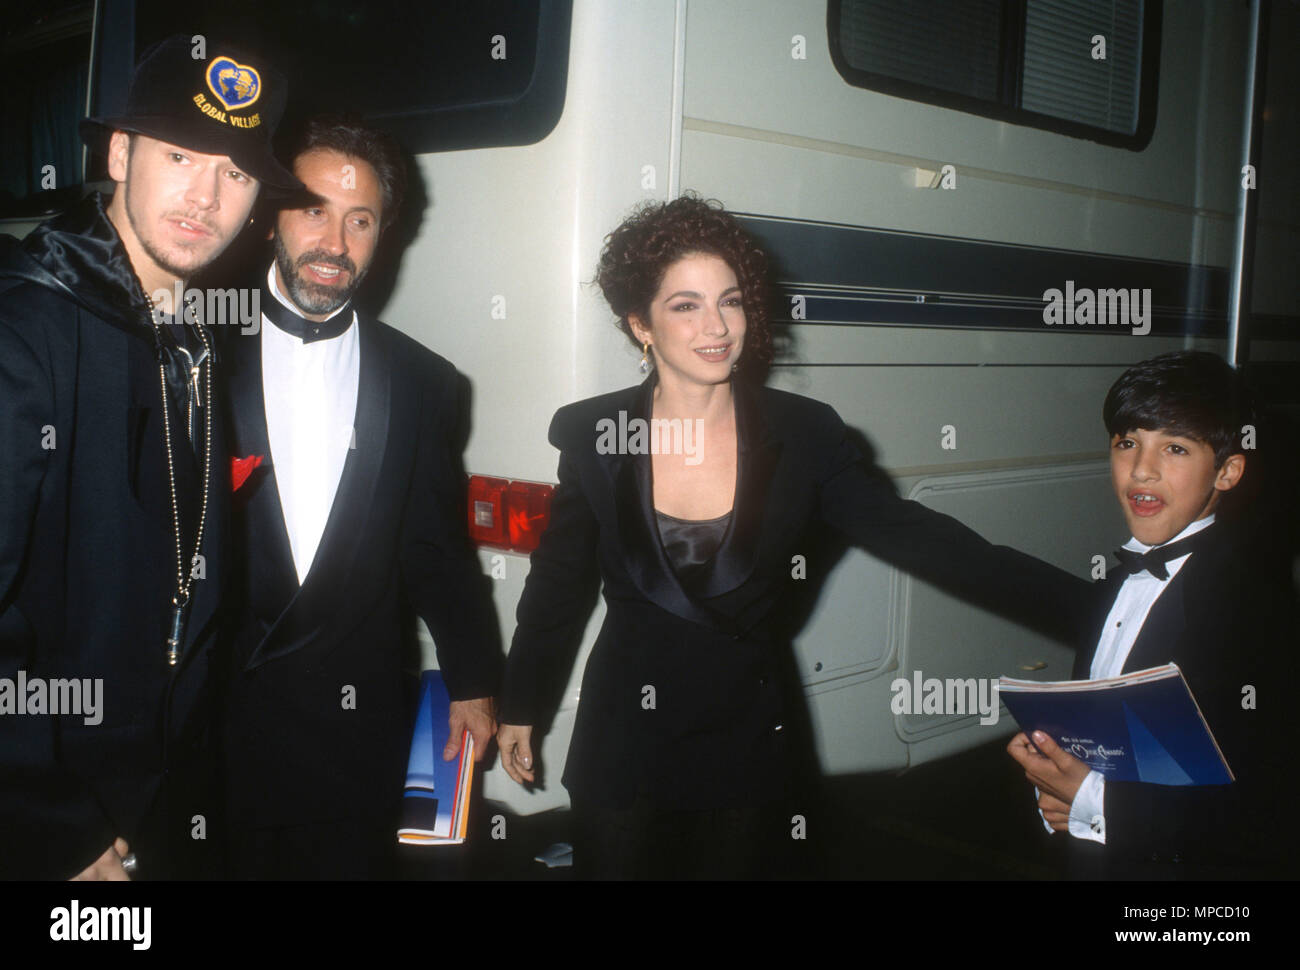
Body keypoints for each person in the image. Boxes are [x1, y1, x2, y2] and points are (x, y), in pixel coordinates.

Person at [495, 194, 1091, 879]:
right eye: (686, 305)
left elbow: (928, 541)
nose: (718, 326)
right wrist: (523, 704)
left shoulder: (804, 435)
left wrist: (1097, 606)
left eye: (732, 301)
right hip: (623, 738)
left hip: (746, 741)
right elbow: (559, 582)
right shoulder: (594, 434)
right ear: (641, 325)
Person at [0, 36, 299, 880]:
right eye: (181, 155)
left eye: (236, 174)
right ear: (120, 153)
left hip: (164, 793)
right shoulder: (26, 332)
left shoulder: (194, 339)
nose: (206, 196)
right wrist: (46, 823)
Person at [218, 116, 502, 879]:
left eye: (361, 219)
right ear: (270, 211)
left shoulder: (425, 383)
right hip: (207, 734)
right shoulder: (192, 350)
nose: (335, 243)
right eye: (313, 208)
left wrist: (474, 681)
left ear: (386, 235)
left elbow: (436, 547)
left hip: (354, 735)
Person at [1006, 350, 1295, 879]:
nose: (1142, 468)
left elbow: (1267, 808)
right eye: (1127, 442)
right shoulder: (1116, 584)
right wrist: (1055, 781)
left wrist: (1094, 802)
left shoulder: (1256, 610)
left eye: (1176, 448)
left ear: (1228, 471)